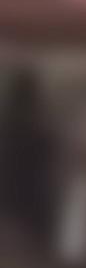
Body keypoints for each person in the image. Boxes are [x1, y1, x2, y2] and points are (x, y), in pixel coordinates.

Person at [0, 66, 60, 255]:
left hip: (10, 197)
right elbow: (49, 157)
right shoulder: (38, 129)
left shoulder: (8, 125)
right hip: (31, 199)